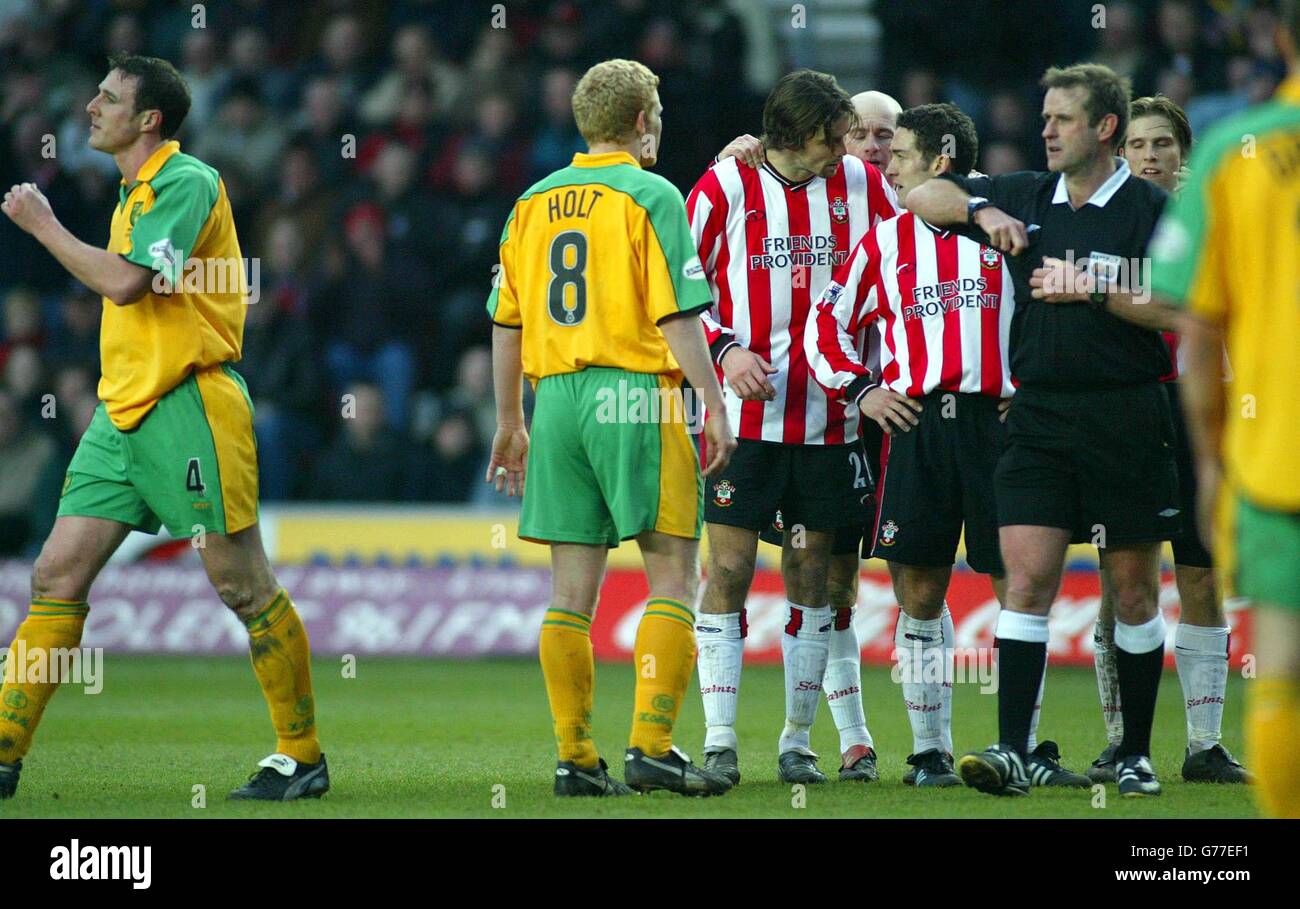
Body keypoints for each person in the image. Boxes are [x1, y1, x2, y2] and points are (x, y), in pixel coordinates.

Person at [0, 54, 326, 801]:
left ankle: (301, 754)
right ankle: (4, 749)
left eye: (109, 98)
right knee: (57, 573)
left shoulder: (186, 182)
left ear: (149, 119)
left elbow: (124, 282)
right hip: (122, 414)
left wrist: (43, 225)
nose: (90, 106)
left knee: (240, 583)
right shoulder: (133, 195)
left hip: (189, 405)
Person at [907, 63, 1180, 797]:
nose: (1047, 130)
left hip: (1125, 412)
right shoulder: (1026, 194)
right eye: (1046, 116)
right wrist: (976, 213)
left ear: (1105, 128)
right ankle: (1010, 748)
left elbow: (1182, 307)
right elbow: (919, 193)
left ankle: (1135, 752)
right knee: (1025, 580)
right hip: (1037, 416)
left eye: (1062, 119)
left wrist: (1095, 287)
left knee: (1131, 592)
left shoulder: (1150, 208)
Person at [485, 58, 737, 798]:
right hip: (635, 392)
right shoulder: (650, 192)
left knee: (571, 592)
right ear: (641, 123)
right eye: (655, 116)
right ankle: (653, 745)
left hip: (555, 399)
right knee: (672, 575)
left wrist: (510, 421)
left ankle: (575, 757)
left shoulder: (532, 200)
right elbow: (675, 312)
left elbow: (506, 322)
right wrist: (712, 401)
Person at [686, 70, 899, 786]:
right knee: (731, 568)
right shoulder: (723, 189)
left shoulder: (865, 187)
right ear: (788, 138)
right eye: (830, 138)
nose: (845, 149)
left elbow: (914, 241)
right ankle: (719, 737)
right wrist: (724, 347)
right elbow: (679, 290)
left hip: (831, 420)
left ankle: (797, 739)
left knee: (812, 575)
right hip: (742, 425)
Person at [1150, 5, 1300, 818]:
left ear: (1280, 38)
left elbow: (1197, 331)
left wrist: (1209, 464)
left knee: (1281, 667)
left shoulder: (1235, 154)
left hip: (1277, 459)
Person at [1088, 94, 1249, 785]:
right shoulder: (1099, 217)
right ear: (1119, 154)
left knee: (1201, 572)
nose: (1150, 156)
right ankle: (1123, 739)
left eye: (1163, 144)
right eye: (1138, 145)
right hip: (1125, 412)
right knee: (1119, 579)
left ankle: (1204, 743)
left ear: (1183, 153)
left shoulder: (1214, 217)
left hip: (1197, 411)